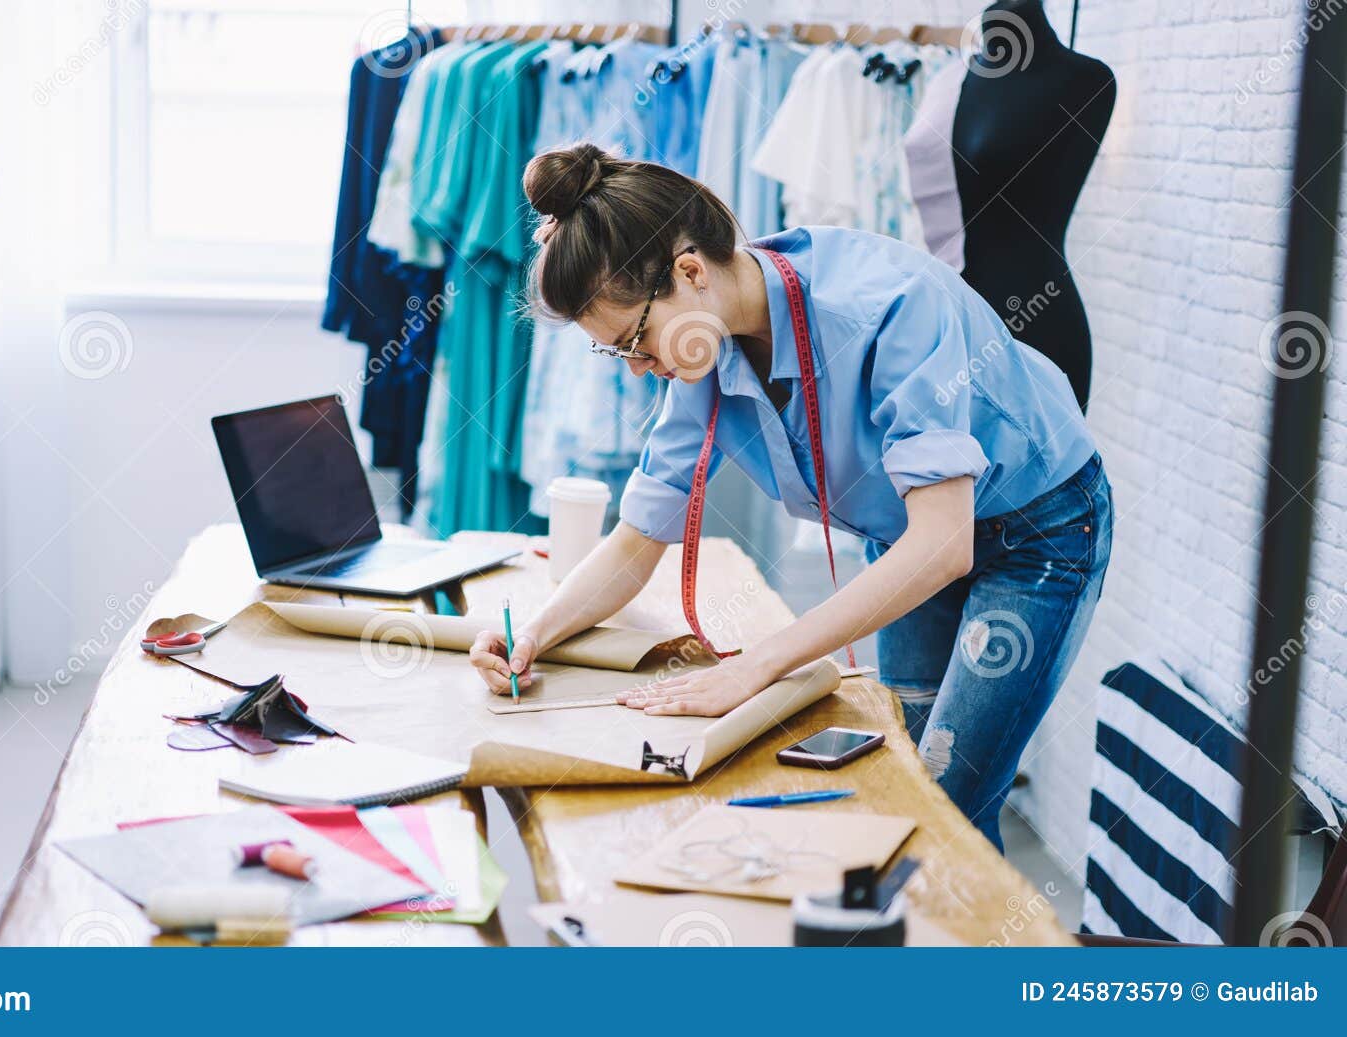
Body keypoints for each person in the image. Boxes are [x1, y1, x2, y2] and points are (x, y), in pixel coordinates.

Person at [467, 143, 1111, 850]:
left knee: (947, 798)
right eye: (618, 354)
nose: (641, 370)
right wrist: (536, 632)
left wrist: (757, 665)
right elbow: (637, 538)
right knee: (901, 778)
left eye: (637, 342)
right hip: (912, 538)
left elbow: (945, 542)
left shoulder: (887, 306)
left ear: (690, 271)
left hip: (1038, 532)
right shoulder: (700, 350)